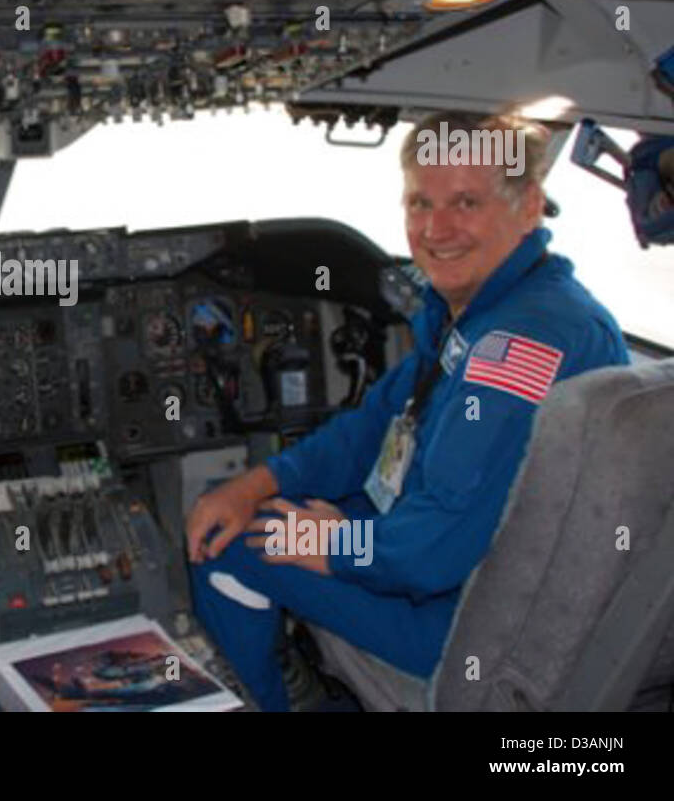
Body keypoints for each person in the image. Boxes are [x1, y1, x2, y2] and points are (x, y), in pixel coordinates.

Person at [186, 112, 629, 711]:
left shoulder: (519, 345)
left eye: (465, 202)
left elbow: (434, 550)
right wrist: (263, 481)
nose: (435, 229)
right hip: (466, 564)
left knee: (230, 542)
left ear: (528, 207)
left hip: (473, 620)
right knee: (252, 508)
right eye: (420, 202)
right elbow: (374, 428)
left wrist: (340, 544)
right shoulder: (475, 312)